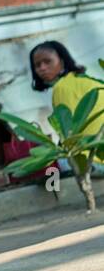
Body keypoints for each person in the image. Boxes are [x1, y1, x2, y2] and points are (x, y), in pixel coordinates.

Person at [29, 41, 104, 175]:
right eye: (37, 65)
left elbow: (69, 133)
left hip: (94, 159)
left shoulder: (62, 88)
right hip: (98, 152)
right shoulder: (85, 80)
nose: (42, 68)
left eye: (47, 62)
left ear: (62, 61)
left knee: (55, 166)